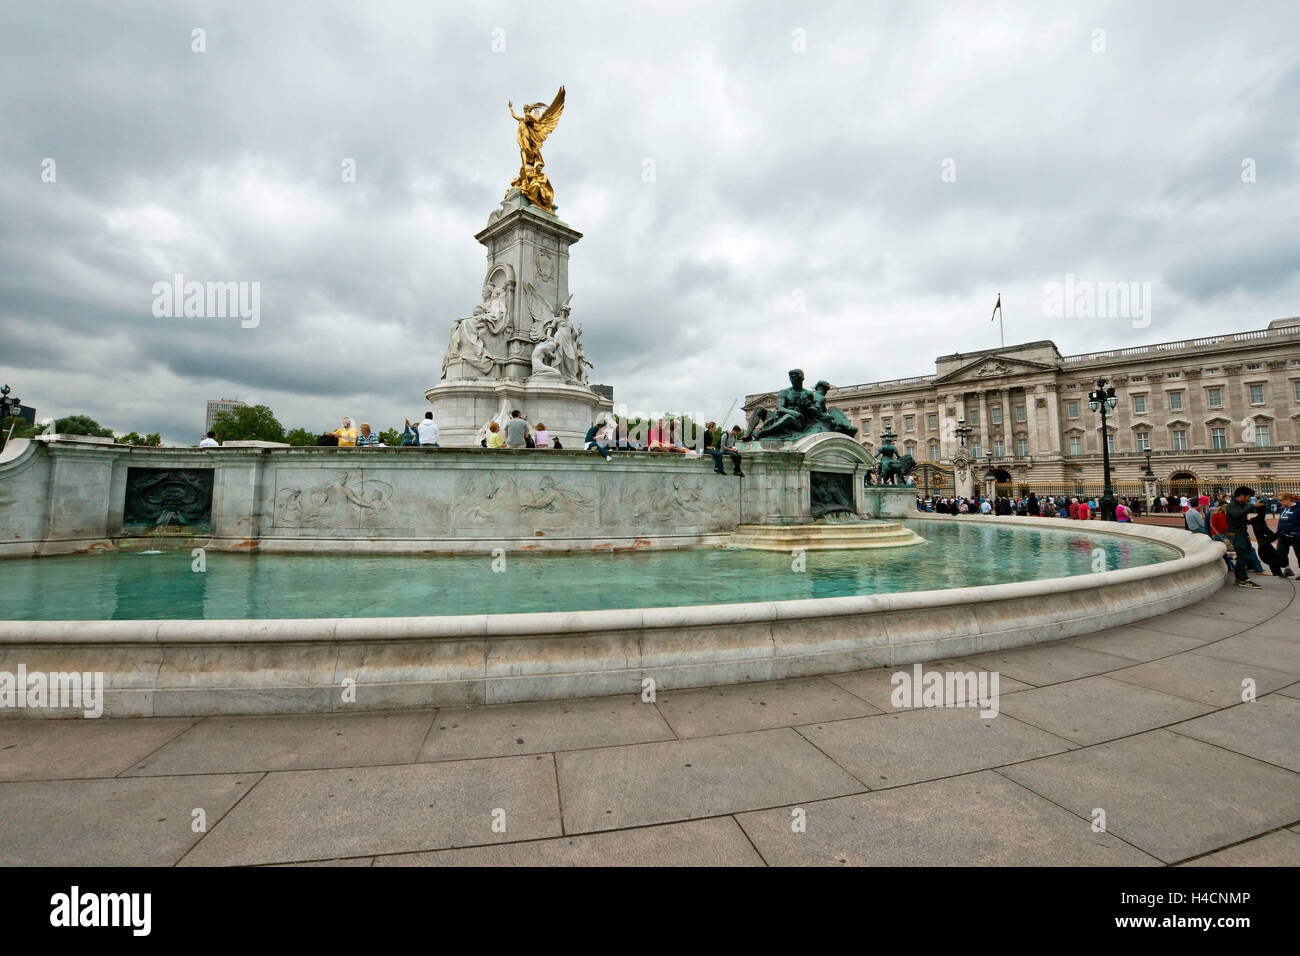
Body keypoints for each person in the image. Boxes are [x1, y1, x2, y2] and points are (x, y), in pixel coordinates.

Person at [1226, 486, 1262, 589]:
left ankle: (1241, 577)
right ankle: (1241, 579)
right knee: (1241, 557)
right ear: (1241, 495)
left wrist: (1253, 521)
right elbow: (1237, 514)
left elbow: (1241, 520)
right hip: (1236, 535)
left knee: (1244, 556)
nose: (1249, 500)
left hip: (1242, 534)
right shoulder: (1232, 505)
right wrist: (1251, 506)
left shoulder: (1241, 505)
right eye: (1248, 497)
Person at [1249, 500, 1286, 576]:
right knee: (1275, 560)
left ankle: (1278, 573)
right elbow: (1271, 536)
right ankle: (1279, 573)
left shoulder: (1255, 520)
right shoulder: (1260, 521)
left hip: (1263, 545)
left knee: (1272, 560)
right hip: (1265, 545)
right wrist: (1279, 532)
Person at [1276, 493, 1298, 577]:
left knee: (1299, 553)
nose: (1280, 502)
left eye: (1281, 500)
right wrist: (1278, 533)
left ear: (1288, 499)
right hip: (1283, 535)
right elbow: (1281, 522)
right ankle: (1287, 568)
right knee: (1281, 552)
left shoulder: (1298, 509)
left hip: (1295, 535)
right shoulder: (1283, 509)